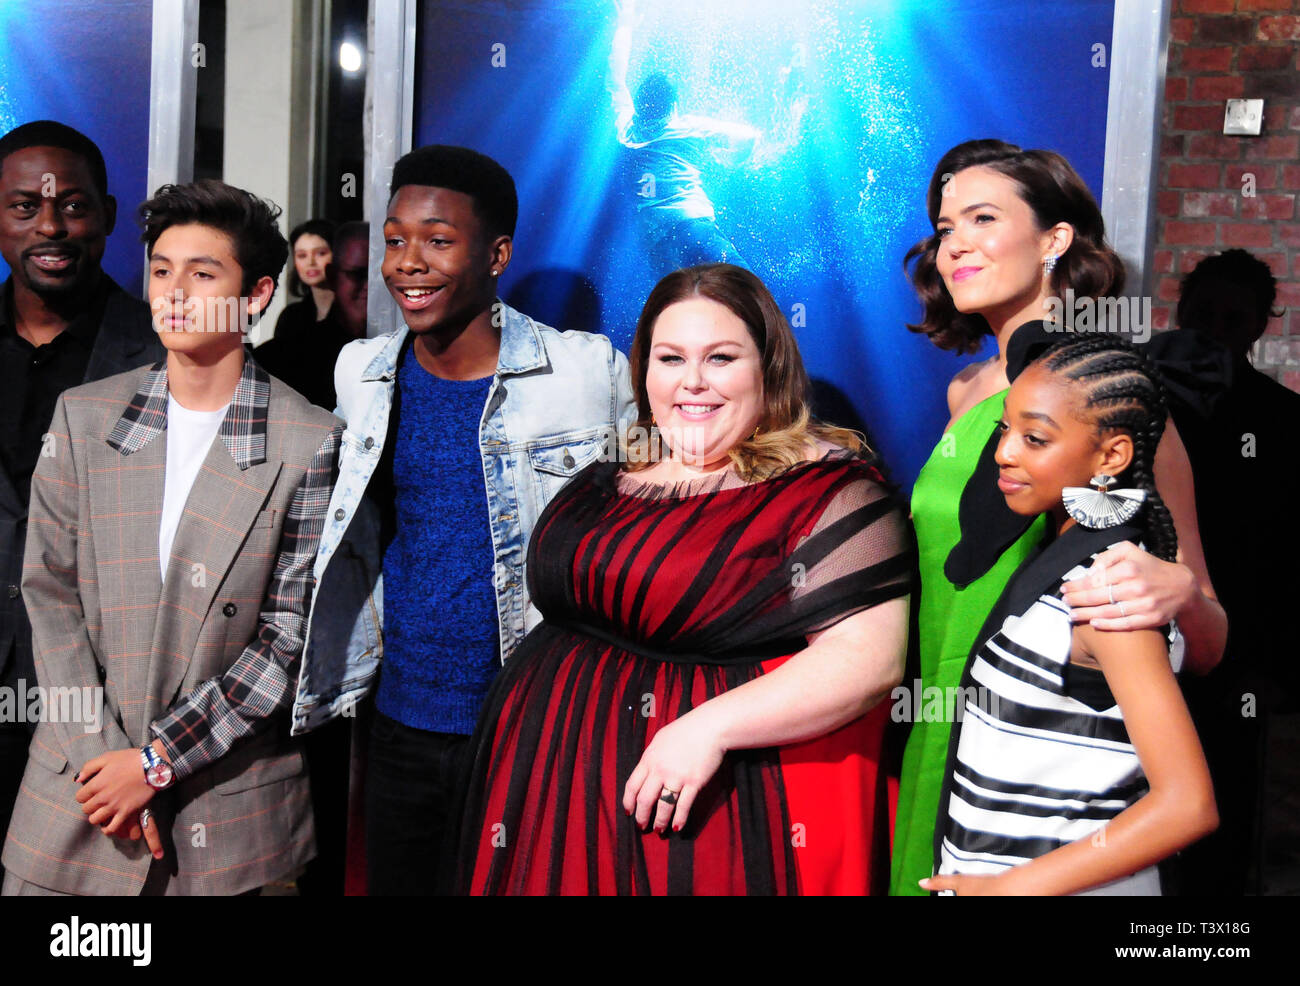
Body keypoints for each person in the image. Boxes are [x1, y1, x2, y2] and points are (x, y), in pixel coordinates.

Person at [449, 263, 914, 895]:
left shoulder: (829, 489)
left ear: (769, 369)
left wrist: (706, 728)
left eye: (721, 358)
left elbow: (869, 662)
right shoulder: (616, 469)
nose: (691, 382)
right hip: (546, 790)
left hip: (696, 814)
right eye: (670, 359)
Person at [290, 145, 635, 895]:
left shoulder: (586, 373)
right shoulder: (362, 372)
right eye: (393, 239)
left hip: (537, 725)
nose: (407, 262)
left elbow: (659, 512)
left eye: (438, 240)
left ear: (497, 253)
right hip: (400, 722)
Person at [890, 139, 1228, 895]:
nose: (956, 246)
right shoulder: (969, 390)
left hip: (1048, 772)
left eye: (982, 217)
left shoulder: (1114, 404)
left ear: (1055, 239)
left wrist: (1177, 594)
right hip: (943, 718)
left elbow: (1207, 639)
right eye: (945, 228)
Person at [2, 179, 341, 895]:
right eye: (160, 270)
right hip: (79, 792)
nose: (174, 291)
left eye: (202, 272)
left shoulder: (308, 440)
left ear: (255, 297)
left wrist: (155, 762)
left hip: (225, 815)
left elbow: (286, 640)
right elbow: (49, 595)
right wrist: (105, 764)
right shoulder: (86, 417)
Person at [922, 336, 1218, 895]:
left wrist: (1011, 888)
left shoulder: (1103, 591)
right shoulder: (1065, 563)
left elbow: (1188, 805)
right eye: (1003, 430)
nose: (1004, 454)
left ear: (1112, 457)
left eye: (1034, 438)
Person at [0, 120, 164, 881]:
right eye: (25, 208)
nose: (51, 227)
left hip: (104, 704)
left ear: (107, 213)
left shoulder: (167, 352)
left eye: (72, 205)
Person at [1149, 249, 1300, 894]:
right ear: (1181, 307)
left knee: (1221, 819)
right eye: (1203, 312)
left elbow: (1288, 555)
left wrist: (1273, 667)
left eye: (1232, 318)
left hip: (1236, 653)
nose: (1213, 328)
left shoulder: (1285, 422)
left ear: (1259, 326)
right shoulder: (1138, 395)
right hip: (1135, 632)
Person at [609, 0, 760, 274]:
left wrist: (625, 25)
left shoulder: (624, 129)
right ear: (674, 104)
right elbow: (748, 137)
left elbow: (614, 78)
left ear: (640, 101)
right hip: (694, 225)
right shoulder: (691, 127)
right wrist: (731, 163)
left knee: (686, 306)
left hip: (656, 240)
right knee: (745, 293)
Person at [255, 219, 355, 410]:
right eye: (301, 255)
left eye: (321, 253)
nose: (310, 262)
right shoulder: (291, 316)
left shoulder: (352, 315)